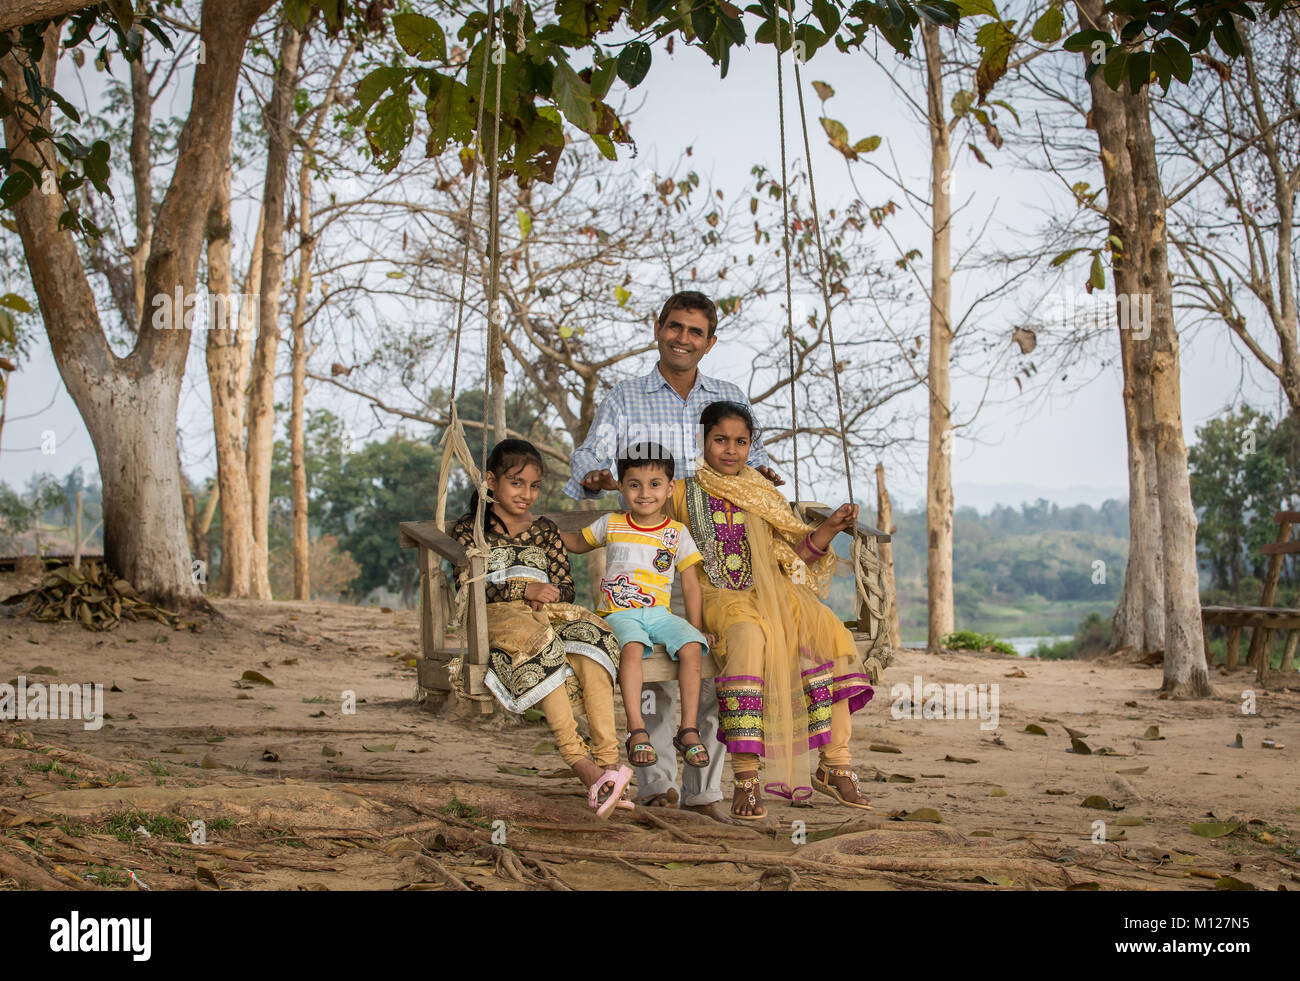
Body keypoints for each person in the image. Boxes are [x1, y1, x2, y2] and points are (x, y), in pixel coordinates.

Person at [564, 290, 782, 822]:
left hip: (720, 563)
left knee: (712, 667)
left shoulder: (729, 396)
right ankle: (658, 784)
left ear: (710, 342)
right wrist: (594, 477)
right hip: (645, 563)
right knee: (655, 674)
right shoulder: (626, 398)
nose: (683, 338)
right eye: (675, 327)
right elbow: (591, 457)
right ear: (657, 327)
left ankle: (703, 791)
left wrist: (767, 476)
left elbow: (760, 460)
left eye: (695, 332)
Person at [666, 400, 875, 821]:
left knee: (832, 634)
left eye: (741, 442)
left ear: (751, 446)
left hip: (774, 593)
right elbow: (639, 511)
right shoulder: (679, 492)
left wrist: (831, 527)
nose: (730, 450)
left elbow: (791, 559)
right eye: (720, 440)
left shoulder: (761, 492)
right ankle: (746, 777)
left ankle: (836, 763)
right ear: (701, 440)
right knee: (749, 639)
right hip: (716, 597)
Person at [451, 439, 633, 818]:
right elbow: (468, 585)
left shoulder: (545, 529)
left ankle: (610, 764)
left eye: (534, 486)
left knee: (593, 640)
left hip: (546, 611)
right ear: (491, 480)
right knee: (542, 645)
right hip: (497, 615)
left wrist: (546, 594)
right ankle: (582, 765)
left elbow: (566, 585)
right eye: (516, 483)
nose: (527, 494)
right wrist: (522, 588)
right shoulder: (471, 530)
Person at [561, 443, 712, 775]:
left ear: (670, 488)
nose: (645, 493)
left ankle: (687, 730)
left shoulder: (676, 533)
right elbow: (576, 543)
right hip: (619, 614)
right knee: (630, 649)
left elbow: (690, 583)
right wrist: (542, 529)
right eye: (634, 484)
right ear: (621, 485)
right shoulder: (611, 523)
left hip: (660, 614)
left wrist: (696, 626)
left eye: (655, 484)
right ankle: (636, 730)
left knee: (691, 646)